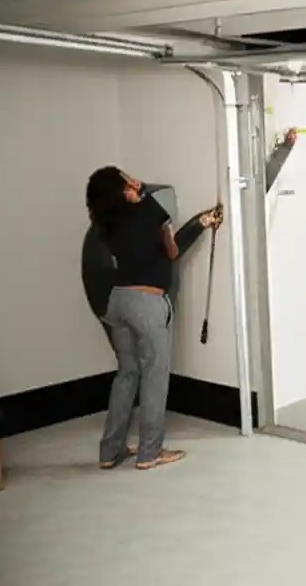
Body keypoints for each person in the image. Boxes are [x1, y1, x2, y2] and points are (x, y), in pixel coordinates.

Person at [85, 166, 222, 470]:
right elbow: (172, 252)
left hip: (115, 302)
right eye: (127, 178)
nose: (134, 180)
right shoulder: (150, 210)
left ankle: (110, 451)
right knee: (155, 376)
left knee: (127, 373)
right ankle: (150, 452)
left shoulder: (106, 222)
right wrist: (146, 196)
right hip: (146, 303)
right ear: (123, 188)